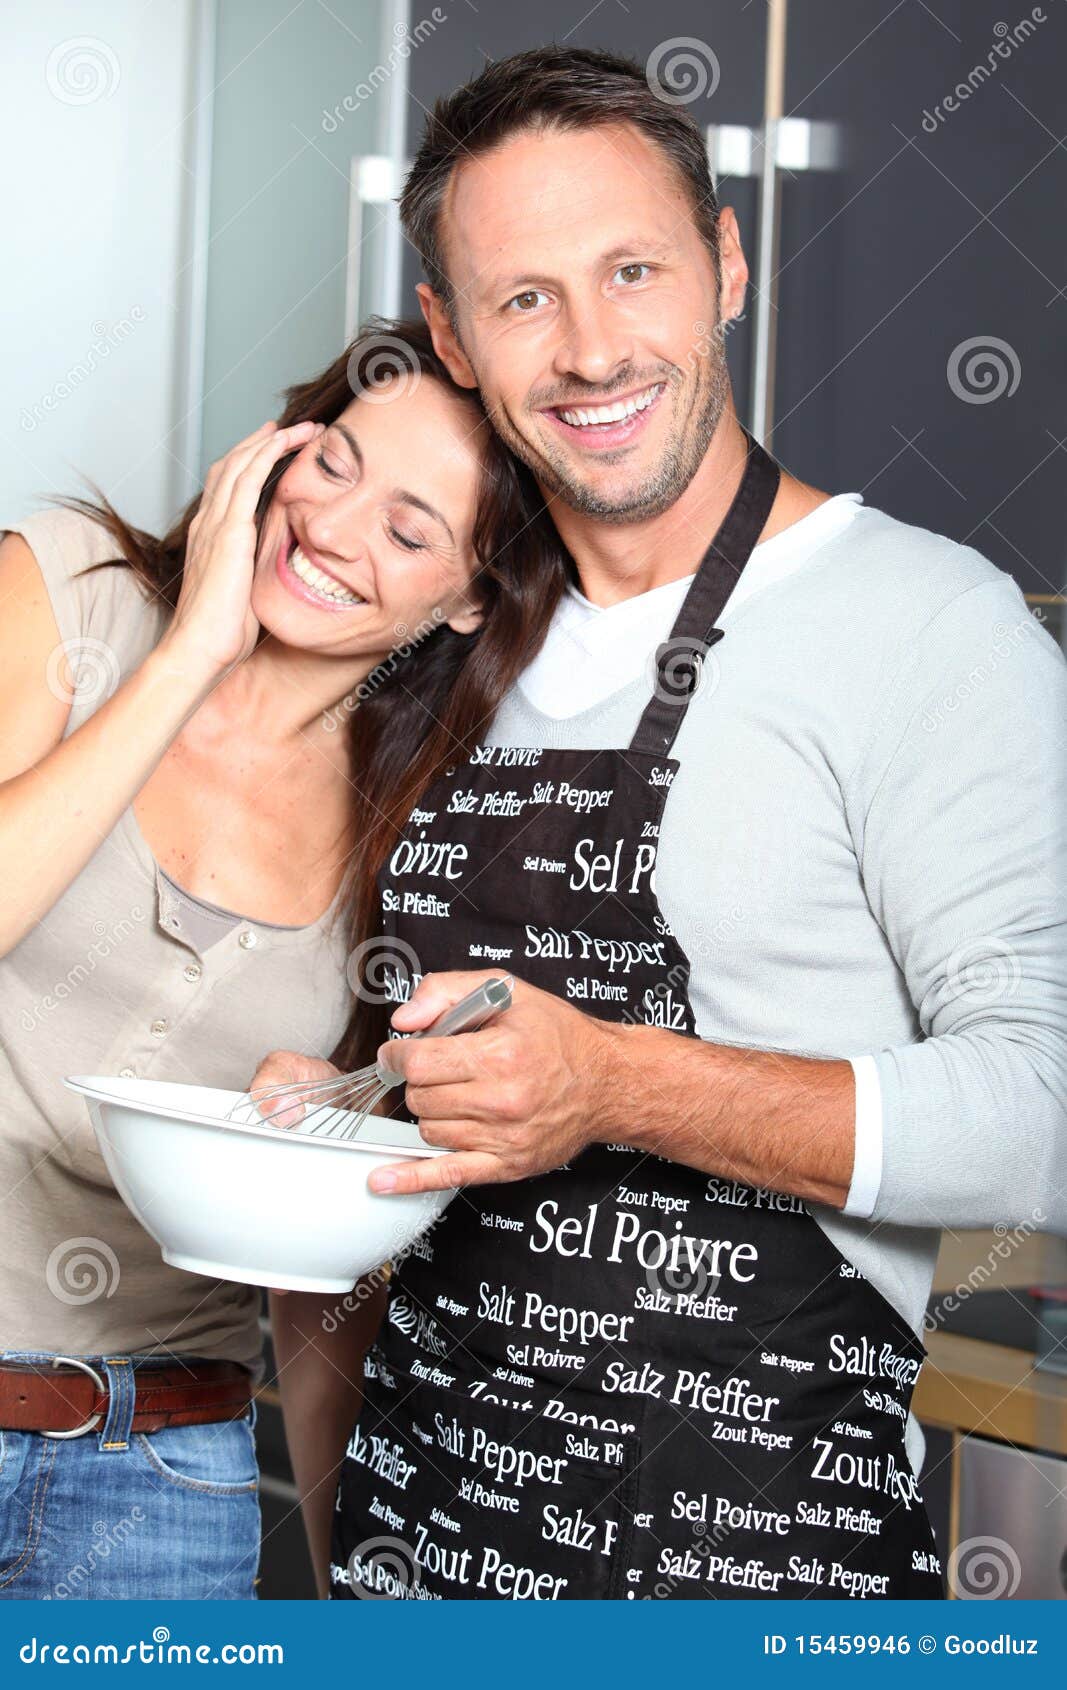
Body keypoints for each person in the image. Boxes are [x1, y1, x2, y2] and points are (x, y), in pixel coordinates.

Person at [263, 48, 1066, 1601]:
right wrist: (343, 1110)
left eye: (630, 270)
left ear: (724, 262)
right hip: (413, 1552)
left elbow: (1047, 1103)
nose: (587, 349)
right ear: (448, 331)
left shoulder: (924, 625)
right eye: (521, 299)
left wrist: (615, 1082)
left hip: (752, 1565)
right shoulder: (443, 644)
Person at [0, 319, 563, 1599]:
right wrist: (193, 645)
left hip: (155, 1470)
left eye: (410, 531)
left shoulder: (412, 834)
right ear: (280, 446)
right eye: (336, 463)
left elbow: (326, 1272)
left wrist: (343, 1570)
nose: (335, 526)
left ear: (467, 597)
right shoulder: (72, 592)